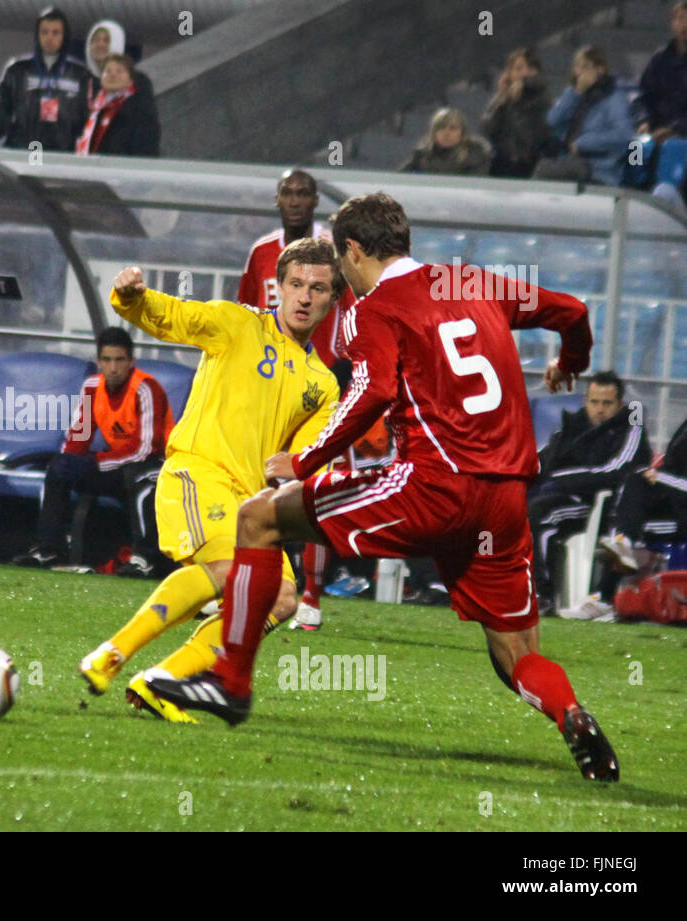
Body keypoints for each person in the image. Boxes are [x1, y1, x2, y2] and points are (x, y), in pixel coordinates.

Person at [146, 194, 621, 783]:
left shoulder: (377, 308)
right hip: (503, 501)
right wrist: (571, 360)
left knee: (258, 518)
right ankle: (569, 712)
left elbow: (370, 392)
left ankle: (231, 682)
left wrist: (305, 460)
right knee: (518, 653)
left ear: (350, 250)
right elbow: (573, 310)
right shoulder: (469, 282)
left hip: (433, 487)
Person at [78, 237, 342, 723]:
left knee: (281, 596)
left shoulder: (322, 385)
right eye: (297, 284)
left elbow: (299, 464)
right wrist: (133, 298)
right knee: (233, 573)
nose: (305, 297)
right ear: (278, 288)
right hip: (196, 473)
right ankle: (110, 654)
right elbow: (176, 316)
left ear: (332, 299)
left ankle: (163, 681)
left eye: (319, 288)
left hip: (248, 505)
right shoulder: (238, 324)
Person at [238, 168, 356, 630]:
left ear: (314, 201)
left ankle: (311, 595)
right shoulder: (262, 252)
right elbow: (247, 314)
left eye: (303, 193)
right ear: (277, 200)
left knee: (314, 485)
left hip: (321, 384)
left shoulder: (333, 253)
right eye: (287, 192)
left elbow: (355, 311)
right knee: (257, 479)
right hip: (270, 383)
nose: (295, 200)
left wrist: (343, 373)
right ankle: (241, 582)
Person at [12, 327, 172, 575]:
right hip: (113, 465)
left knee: (138, 477)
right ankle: (48, 549)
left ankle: (144, 559)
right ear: (98, 362)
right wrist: (70, 461)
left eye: (120, 360)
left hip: (155, 466)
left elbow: (145, 449)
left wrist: (98, 462)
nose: (113, 367)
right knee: (60, 468)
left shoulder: (146, 388)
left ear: (131, 361)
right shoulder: (92, 387)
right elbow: (78, 438)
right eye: (107, 360)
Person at [529, 371, 649, 611]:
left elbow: (617, 471)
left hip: (596, 505)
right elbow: (541, 464)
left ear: (620, 404)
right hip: (560, 495)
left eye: (607, 403)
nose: (600, 409)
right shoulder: (569, 428)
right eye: (594, 402)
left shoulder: (630, 427)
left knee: (539, 513)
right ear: (585, 401)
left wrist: (559, 480)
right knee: (504, 508)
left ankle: (542, 594)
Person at [535, 46, 633, 186]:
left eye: (586, 67)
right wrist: (576, 93)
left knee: (544, 171)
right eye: (577, 67)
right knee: (541, 168)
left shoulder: (614, 97)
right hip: (568, 162)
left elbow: (623, 136)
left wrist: (582, 144)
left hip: (599, 170)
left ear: (600, 69)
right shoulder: (573, 94)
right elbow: (551, 121)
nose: (580, 72)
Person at [0, 6, 90, 152]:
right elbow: (1, 114)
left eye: (55, 33)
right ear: (37, 35)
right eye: (44, 32)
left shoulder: (80, 74)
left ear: (64, 36)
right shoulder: (17, 70)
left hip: (64, 153)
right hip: (23, 150)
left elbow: (86, 119)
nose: (49, 37)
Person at [602, 414, 687, 571]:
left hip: (681, 512)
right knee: (629, 489)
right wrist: (659, 475)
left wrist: (661, 477)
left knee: (635, 482)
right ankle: (623, 541)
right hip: (675, 498)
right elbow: (673, 464)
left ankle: (624, 542)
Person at [481, 47, 552, 178]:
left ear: (533, 71)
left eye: (521, 69)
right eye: (514, 69)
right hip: (502, 164)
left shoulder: (543, 99)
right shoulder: (502, 98)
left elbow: (536, 136)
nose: (517, 74)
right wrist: (500, 104)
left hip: (531, 165)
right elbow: (486, 131)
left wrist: (518, 102)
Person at [74, 54, 159, 157]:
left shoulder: (140, 109)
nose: (112, 75)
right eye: (107, 71)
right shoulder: (93, 106)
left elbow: (146, 147)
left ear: (130, 79)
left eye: (120, 71)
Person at [632, 2, 687, 145]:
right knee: (635, 147)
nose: (684, 25)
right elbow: (643, 96)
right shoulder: (660, 58)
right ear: (673, 22)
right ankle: (633, 167)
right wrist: (643, 121)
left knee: (672, 149)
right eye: (681, 18)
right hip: (655, 131)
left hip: (681, 136)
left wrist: (673, 129)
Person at [83, 19, 156, 117]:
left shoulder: (138, 81)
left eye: (106, 40)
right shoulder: (85, 83)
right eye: (95, 40)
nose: (100, 45)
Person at [399, 107, 491, 175]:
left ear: (462, 133)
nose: (446, 133)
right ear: (433, 133)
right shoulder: (422, 155)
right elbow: (400, 177)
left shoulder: (476, 155)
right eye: (441, 128)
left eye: (453, 128)